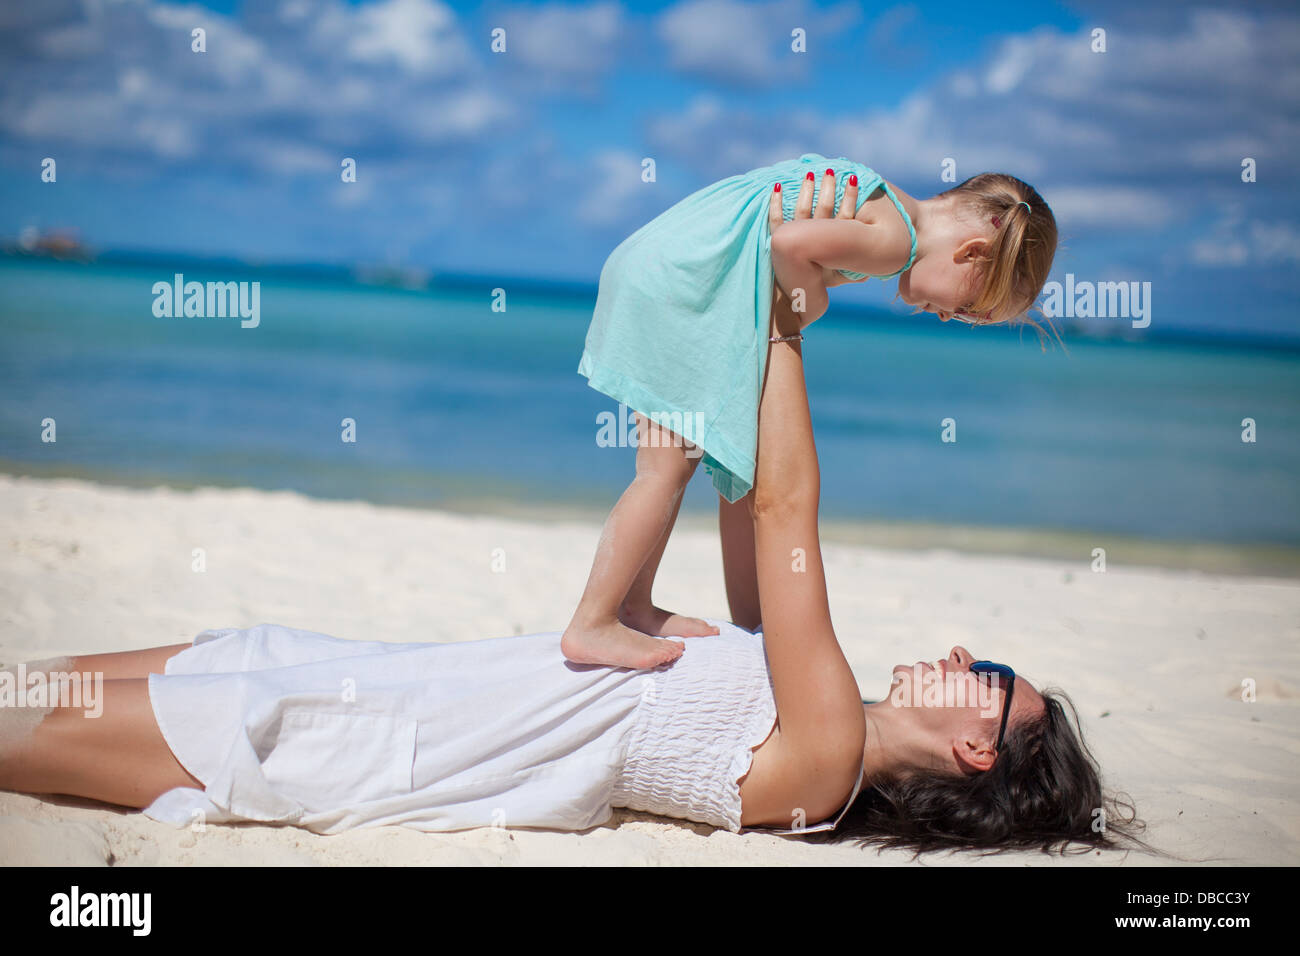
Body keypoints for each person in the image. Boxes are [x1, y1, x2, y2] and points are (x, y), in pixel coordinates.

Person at [0, 177, 1142, 855]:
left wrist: (781, 308)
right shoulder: (809, 701)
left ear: (978, 744)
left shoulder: (825, 756)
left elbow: (790, 504)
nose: (956, 652)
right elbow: (752, 503)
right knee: (26, 684)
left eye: (985, 668)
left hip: (366, 742)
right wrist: (761, 293)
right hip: (362, 674)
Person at [562, 153, 1059, 670]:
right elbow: (788, 244)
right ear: (971, 253)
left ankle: (634, 606)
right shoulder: (894, 242)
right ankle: (593, 621)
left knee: (679, 463)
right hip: (681, 284)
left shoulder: (883, 203)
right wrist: (809, 307)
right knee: (663, 470)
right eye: (966, 309)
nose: (948, 317)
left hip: (668, 266)